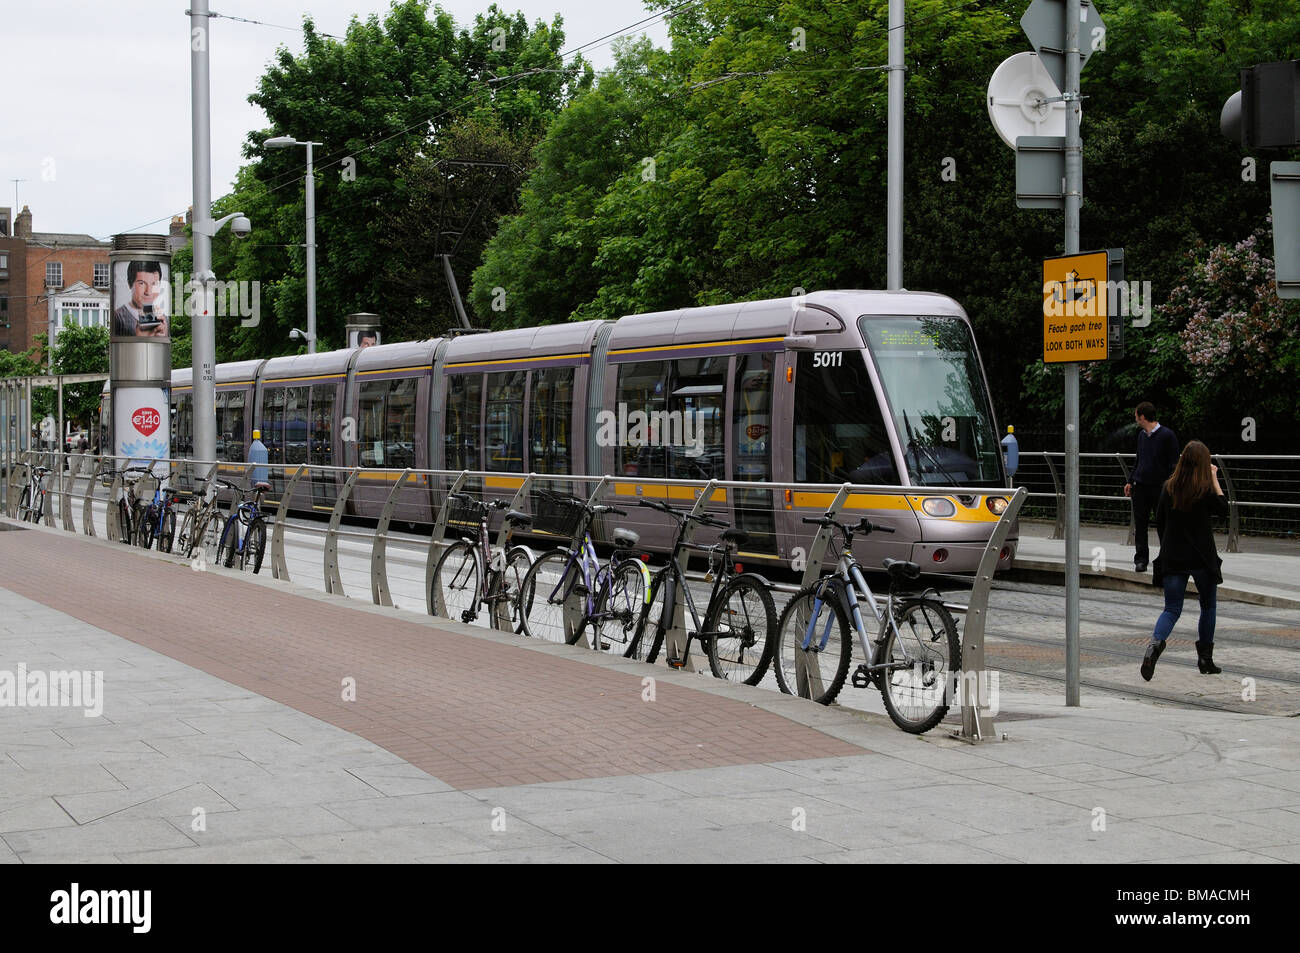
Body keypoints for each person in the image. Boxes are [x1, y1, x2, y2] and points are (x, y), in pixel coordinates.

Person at [1140, 440, 1228, 681]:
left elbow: (1159, 520)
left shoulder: (1168, 487)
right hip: (1201, 557)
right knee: (1208, 606)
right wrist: (1214, 479)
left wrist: (1168, 545)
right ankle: (1205, 659)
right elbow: (1223, 512)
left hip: (1174, 556)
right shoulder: (1205, 490)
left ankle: (1154, 647)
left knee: (1171, 609)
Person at [1124, 401, 1178, 572]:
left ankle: (1166, 558)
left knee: (1163, 524)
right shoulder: (1141, 436)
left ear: (1142, 416)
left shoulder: (1167, 435)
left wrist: (1169, 485)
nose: (1135, 419)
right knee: (1140, 524)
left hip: (1160, 487)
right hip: (1140, 486)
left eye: (1136, 416)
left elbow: (1173, 463)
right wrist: (1130, 480)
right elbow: (1138, 460)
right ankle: (1141, 559)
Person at [112, 260, 168, 338]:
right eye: (141, 283)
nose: (148, 292)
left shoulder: (164, 318)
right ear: (130, 283)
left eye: (154, 284)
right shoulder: (117, 317)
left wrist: (164, 336)